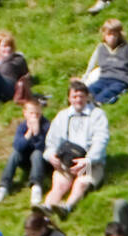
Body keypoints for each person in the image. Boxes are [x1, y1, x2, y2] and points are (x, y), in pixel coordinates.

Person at [43, 80, 110, 217]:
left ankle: (67, 207)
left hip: (90, 163)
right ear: (69, 98)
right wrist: (51, 155)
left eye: (81, 96)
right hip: (66, 162)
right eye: (74, 96)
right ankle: (46, 208)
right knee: (59, 185)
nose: (78, 100)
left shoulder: (98, 115)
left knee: (81, 183)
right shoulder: (62, 116)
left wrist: (88, 160)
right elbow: (51, 141)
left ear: (87, 97)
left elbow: (101, 140)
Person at [0, 99, 48, 207]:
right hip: (25, 159)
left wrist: (37, 134)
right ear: (25, 113)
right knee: (14, 154)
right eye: (32, 113)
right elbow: (18, 146)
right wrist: (29, 133)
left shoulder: (46, 126)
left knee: (37, 154)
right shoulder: (22, 126)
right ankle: (4, 186)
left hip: (40, 161)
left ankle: (36, 186)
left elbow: (42, 147)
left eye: (38, 113)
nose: (35, 116)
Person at [84, 18, 128, 105]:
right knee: (90, 90)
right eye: (109, 34)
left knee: (108, 93)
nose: (111, 37)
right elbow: (91, 65)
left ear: (119, 35)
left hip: (121, 80)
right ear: (104, 34)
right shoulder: (100, 48)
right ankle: (86, 103)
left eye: (114, 35)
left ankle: (98, 103)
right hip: (104, 78)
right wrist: (84, 79)